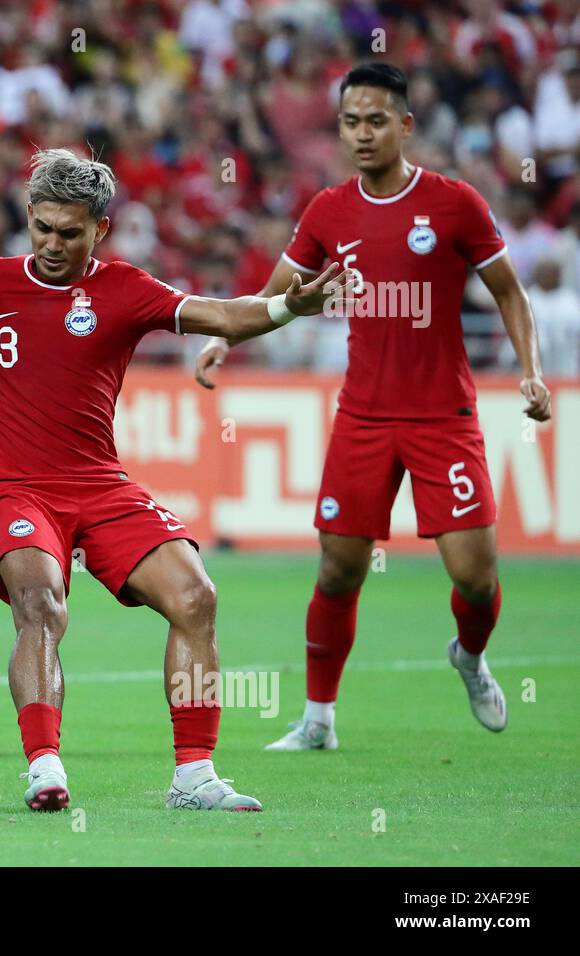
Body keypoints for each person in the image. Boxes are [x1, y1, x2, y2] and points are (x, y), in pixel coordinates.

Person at [0, 147, 348, 812]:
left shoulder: (125, 289)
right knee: (39, 604)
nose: (53, 244)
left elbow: (223, 315)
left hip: (101, 486)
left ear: (100, 229)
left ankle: (194, 777)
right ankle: (44, 766)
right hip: (18, 487)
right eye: (42, 228)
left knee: (196, 597)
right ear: (28, 218)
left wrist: (287, 308)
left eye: (70, 232)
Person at [194, 63, 552, 751]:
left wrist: (531, 374)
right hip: (362, 417)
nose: (362, 133)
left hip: (444, 417)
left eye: (376, 120)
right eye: (351, 122)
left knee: (476, 581)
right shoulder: (329, 210)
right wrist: (222, 342)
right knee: (337, 569)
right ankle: (318, 719)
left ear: (405, 125)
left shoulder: (455, 205)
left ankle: (470, 658)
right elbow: (278, 294)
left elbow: (510, 291)